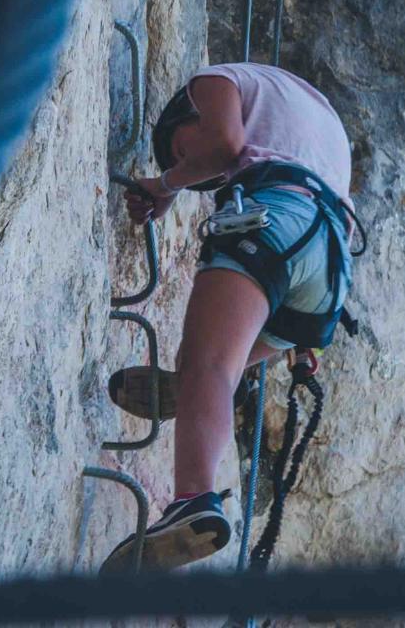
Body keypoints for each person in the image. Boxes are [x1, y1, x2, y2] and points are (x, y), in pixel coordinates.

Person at [102, 62, 358, 571]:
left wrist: (167, 183)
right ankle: (197, 391)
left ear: (186, 112)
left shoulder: (215, 81)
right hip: (330, 271)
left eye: (182, 150)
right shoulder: (315, 115)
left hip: (276, 224)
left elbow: (223, 147)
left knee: (209, 365)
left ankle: (193, 498)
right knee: (219, 365)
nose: (198, 170)